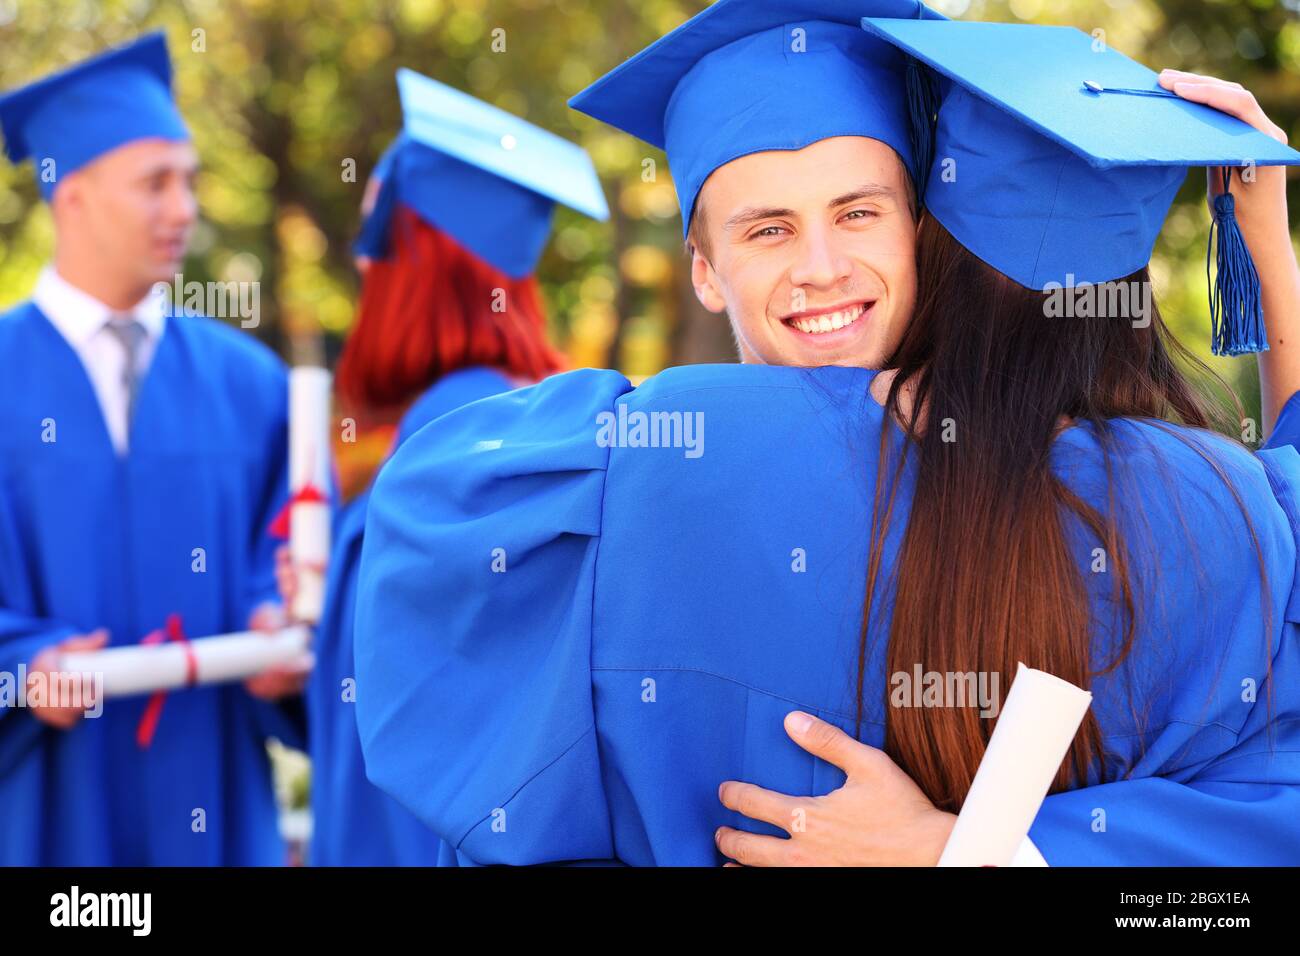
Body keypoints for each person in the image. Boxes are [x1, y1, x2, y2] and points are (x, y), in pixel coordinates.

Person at [351, 10, 1300, 867]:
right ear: (705, 267)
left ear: (922, 230)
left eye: (857, 212)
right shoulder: (1209, 510)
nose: (820, 268)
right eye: (768, 229)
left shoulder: (630, 469)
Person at [283, 68, 608, 866]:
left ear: (421, 266)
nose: (362, 268)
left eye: (374, 240)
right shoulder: (514, 424)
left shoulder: (463, 443)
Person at [0, 32, 302, 866]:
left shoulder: (251, 385)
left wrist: (283, 637)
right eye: (155, 184)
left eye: (191, 183)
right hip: (41, 813)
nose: (184, 211)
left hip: (212, 801)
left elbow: (284, 565)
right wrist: (21, 664)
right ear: (75, 196)